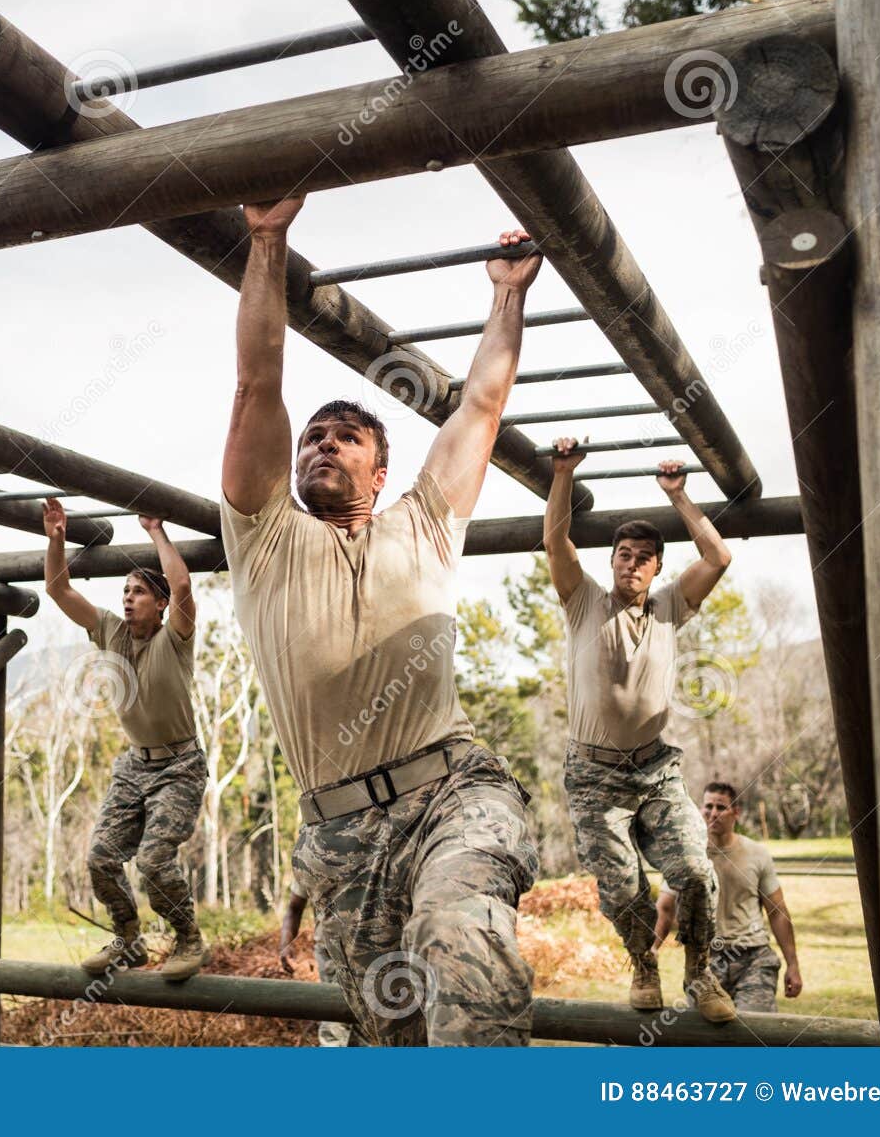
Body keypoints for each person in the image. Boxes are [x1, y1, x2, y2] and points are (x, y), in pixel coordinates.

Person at [223, 193, 543, 1046]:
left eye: (343, 437)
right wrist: (267, 243)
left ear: (381, 464)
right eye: (310, 439)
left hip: (452, 792)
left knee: (458, 939)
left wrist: (507, 296)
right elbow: (258, 381)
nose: (320, 444)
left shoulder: (426, 522)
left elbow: (479, 406)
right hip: (340, 834)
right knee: (381, 1040)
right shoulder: (263, 538)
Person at [544, 439, 736, 1022]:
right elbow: (555, 540)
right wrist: (562, 473)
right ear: (612, 562)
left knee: (696, 874)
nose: (631, 563)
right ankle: (643, 964)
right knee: (622, 885)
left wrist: (678, 496)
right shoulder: (583, 603)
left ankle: (700, 975)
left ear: (656, 567)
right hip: (595, 776)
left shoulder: (672, 606)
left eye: (643, 557)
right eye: (623, 554)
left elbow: (719, 557)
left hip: (656, 772)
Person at [42, 498, 209, 982]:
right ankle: (128, 939)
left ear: (159, 605)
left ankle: (188, 938)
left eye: (139, 592)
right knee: (100, 857)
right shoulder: (111, 633)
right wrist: (56, 537)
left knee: (155, 859)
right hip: (134, 766)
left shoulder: (175, 637)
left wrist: (156, 529)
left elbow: (181, 584)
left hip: (180, 765)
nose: (128, 598)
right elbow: (58, 589)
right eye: (125, 590)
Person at [654, 782, 803, 1012]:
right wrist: (651, 950)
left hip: (754, 957)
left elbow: (777, 912)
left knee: (753, 1033)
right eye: (708, 806)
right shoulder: (686, 855)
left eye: (721, 807)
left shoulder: (757, 854)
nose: (713, 813)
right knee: (705, 1039)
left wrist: (793, 964)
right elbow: (665, 909)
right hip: (704, 963)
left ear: (736, 812)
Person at [280, 877, 352, 1047]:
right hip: (331, 954)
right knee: (334, 1028)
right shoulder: (311, 855)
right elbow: (294, 908)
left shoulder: (380, 853)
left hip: (375, 954)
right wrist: (286, 944)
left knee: (368, 1030)